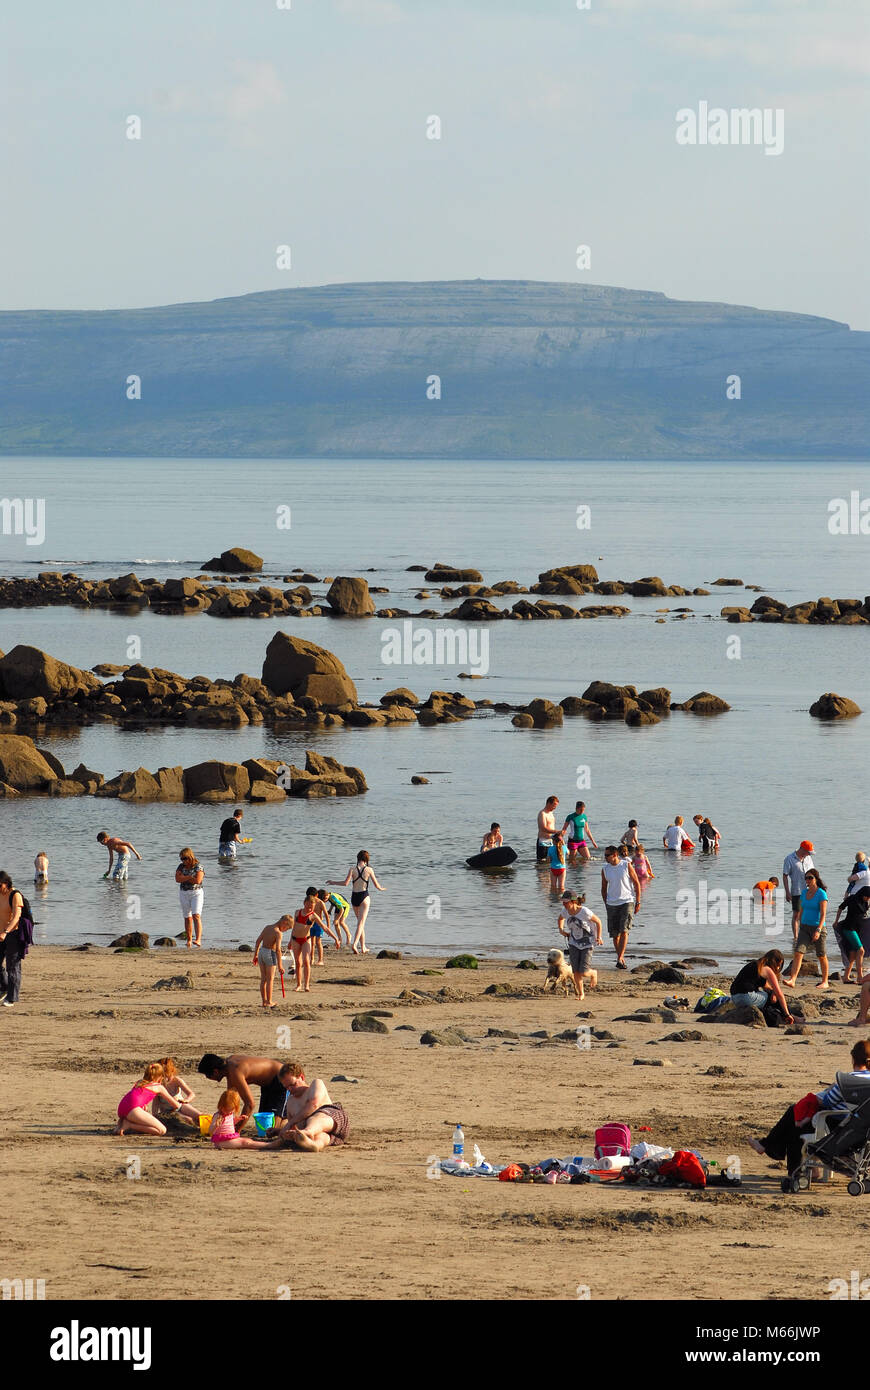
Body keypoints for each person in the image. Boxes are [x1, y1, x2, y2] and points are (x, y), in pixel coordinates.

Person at [747, 1040, 870, 1173]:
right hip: (862, 1130)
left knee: (795, 1119)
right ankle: (774, 1150)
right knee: (797, 1117)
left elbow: (827, 1102)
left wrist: (831, 1088)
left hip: (840, 1125)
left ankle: (793, 1167)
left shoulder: (849, 1081)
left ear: (853, 1059)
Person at [264, 1061, 350, 1151]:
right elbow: (294, 1127)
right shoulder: (290, 1101)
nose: (290, 1089)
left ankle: (308, 1132)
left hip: (333, 1120)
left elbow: (314, 1104)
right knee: (321, 1136)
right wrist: (279, 1131)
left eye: (293, 1084)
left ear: (301, 1077)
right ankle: (314, 1145)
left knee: (314, 1118)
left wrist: (291, 1123)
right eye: (286, 1087)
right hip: (320, 1132)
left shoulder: (315, 1085)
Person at [197, 1053, 288, 1131]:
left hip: (282, 1077)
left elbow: (250, 1104)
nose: (207, 1078)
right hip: (268, 1083)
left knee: (273, 1126)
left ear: (215, 1071)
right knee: (264, 1122)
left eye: (207, 1075)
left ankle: (292, 1125)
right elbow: (230, 1099)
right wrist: (222, 1118)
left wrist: (237, 1130)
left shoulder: (235, 1071)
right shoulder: (229, 1067)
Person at [328, 851, 384, 955]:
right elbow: (377, 885)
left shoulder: (352, 869)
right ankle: (355, 944)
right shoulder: (369, 870)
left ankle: (363, 947)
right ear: (366, 859)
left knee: (360, 923)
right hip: (364, 897)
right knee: (361, 923)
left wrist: (333, 882)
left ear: (357, 858)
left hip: (354, 897)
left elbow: (345, 883)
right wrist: (382, 888)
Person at [782, 869, 829, 989]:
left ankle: (825, 981)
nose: (808, 880)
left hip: (818, 927)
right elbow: (801, 909)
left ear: (816, 878)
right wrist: (799, 921)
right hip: (804, 928)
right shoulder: (804, 893)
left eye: (810, 878)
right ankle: (792, 980)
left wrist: (818, 930)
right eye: (806, 878)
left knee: (821, 955)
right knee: (798, 953)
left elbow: (823, 914)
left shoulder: (821, 893)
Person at [115, 1062, 186, 1136]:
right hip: (133, 1109)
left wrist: (142, 1107)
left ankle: (121, 1124)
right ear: (160, 1077)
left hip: (121, 1108)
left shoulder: (140, 1082)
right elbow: (176, 1105)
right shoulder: (159, 1087)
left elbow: (136, 1096)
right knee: (161, 1130)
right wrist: (185, 1104)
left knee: (143, 1112)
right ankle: (129, 1125)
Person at [600, 845, 640, 970]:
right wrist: (606, 903)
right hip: (611, 904)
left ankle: (619, 957)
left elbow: (636, 883)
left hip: (627, 901)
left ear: (615, 855)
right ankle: (621, 959)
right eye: (605, 855)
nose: (605, 857)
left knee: (624, 930)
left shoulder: (625, 865)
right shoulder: (605, 869)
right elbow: (603, 888)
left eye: (607, 855)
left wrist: (638, 901)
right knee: (615, 934)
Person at [557, 891, 602, 1000]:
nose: (564, 904)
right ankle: (581, 993)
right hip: (573, 943)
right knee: (575, 971)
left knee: (584, 972)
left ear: (573, 902)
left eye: (566, 902)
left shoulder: (584, 912)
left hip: (588, 943)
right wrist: (561, 930)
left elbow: (598, 922)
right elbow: (560, 919)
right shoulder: (565, 911)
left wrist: (599, 937)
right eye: (563, 902)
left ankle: (593, 973)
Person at [729, 949, 793, 1023]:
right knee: (770, 998)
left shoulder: (756, 965)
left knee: (766, 995)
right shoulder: (767, 970)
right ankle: (788, 1016)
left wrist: (773, 993)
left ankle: (786, 1016)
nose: (778, 968)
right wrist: (787, 1014)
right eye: (779, 965)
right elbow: (779, 994)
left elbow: (767, 987)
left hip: (735, 998)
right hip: (746, 998)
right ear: (774, 962)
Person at [0, 872, 27, 1008]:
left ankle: (11, 998)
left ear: (6, 883)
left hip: (13, 934)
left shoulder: (15, 895)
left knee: (13, 967)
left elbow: (16, 917)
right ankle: (4, 987)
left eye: (0, 885)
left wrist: (5, 932)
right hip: (0, 934)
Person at [835, 886, 870, 984]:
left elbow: (864, 915)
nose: (868, 899)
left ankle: (846, 977)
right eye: (867, 897)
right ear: (863, 894)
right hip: (848, 928)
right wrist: (836, 921)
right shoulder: (852, 898)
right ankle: (860, 977)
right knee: (861, 950)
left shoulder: (865, 902)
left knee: (853, 954)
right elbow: (840, 907)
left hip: (858, 930)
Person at [253, 914, 288, 1008]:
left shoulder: (267, 927)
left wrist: (255, 955)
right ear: (284, 923)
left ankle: (264, 1001)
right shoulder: (278, 933)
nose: (285, 931)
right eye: (287, 928)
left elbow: (258, 941)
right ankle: (269, 1001)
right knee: (270, 979)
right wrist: (280, 965)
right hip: (270, 953)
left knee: (263, 979)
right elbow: (278, 950)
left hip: (261, 952)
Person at [782, 841, 814, 942]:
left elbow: (814, 873)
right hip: (797, 891)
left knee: (808, 913)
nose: (809, 854)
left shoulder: (808, 858)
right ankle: (796, 938)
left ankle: (807, 935)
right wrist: (787, 892)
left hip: (810, 890)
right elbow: (785, 875)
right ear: (803, 849)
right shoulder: (789, 858)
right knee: (796, 914)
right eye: (808, 852)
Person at [154, 1057, 202, 1122]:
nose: (165, 1078)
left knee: (200, 1115)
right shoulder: (157, 1085)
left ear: (172, 1071)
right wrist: (155, 1114)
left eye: (167, 1075)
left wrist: (186, 1100)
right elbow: (156, 1103)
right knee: (188, 1119)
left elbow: (191, 1094)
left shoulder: (176, 1080)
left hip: (181, 1105)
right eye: (163, 1076)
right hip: (167, 1110)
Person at [289, 891, 319, 992]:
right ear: (304, 903)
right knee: (297, 962)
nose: (309, 908)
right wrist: (289, 941)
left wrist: (336, 938)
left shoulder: (313, 915)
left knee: (306, 961)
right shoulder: (297, 912)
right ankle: (298, 984)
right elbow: (294, 928)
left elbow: (324, 927)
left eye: (311, 907)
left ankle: (306, 985)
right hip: (295, 940)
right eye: (308, 906)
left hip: (306, 939)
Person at [176, 847, 205, 948]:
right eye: (181, 859)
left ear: (190, 857)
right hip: (184, 892)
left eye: (184, 858)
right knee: (187, 917)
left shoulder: (198, 866)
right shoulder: (181, 866)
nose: (183, 861)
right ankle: (189, 940)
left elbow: (198, 880)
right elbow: (177, 879)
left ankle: (198, 939)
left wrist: (185, 878)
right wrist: (189, 877)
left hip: (196, 893)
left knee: (196, 915)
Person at [311, 889, 340, 963]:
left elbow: (327, 915)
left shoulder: (320, 903)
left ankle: (320, 960)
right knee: (312, 942)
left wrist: (328, 926)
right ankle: (312, 958)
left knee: (318, 942)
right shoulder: (309, 902)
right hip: (311, 923)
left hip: (319, 924)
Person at [536, 796, 560, 864]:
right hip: (543, 840)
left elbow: (551, 827)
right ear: (549, 803)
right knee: (542, 862)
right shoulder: (542, 813)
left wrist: (557, 835)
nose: (555, 807)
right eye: (554, 805)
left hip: (551, 840)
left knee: (550, 861)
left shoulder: (551, 813)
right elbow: (543, 828)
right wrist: (557, 831)